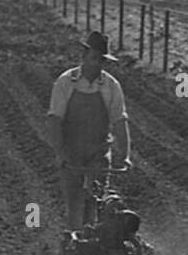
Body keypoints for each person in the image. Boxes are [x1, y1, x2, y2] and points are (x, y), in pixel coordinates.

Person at [47, 31, 130, 230]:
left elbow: (119, 121)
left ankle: (96, 243)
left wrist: (124, 154)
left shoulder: (111, 85)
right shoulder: (66, 82)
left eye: (101, 60)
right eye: (94, 58)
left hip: (98, 150)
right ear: (84, 56)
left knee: (97, 200)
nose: (97, 64)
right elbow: (55, 119)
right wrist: (60, 152)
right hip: (71, 151)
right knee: (74, 201)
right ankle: (74, 244)